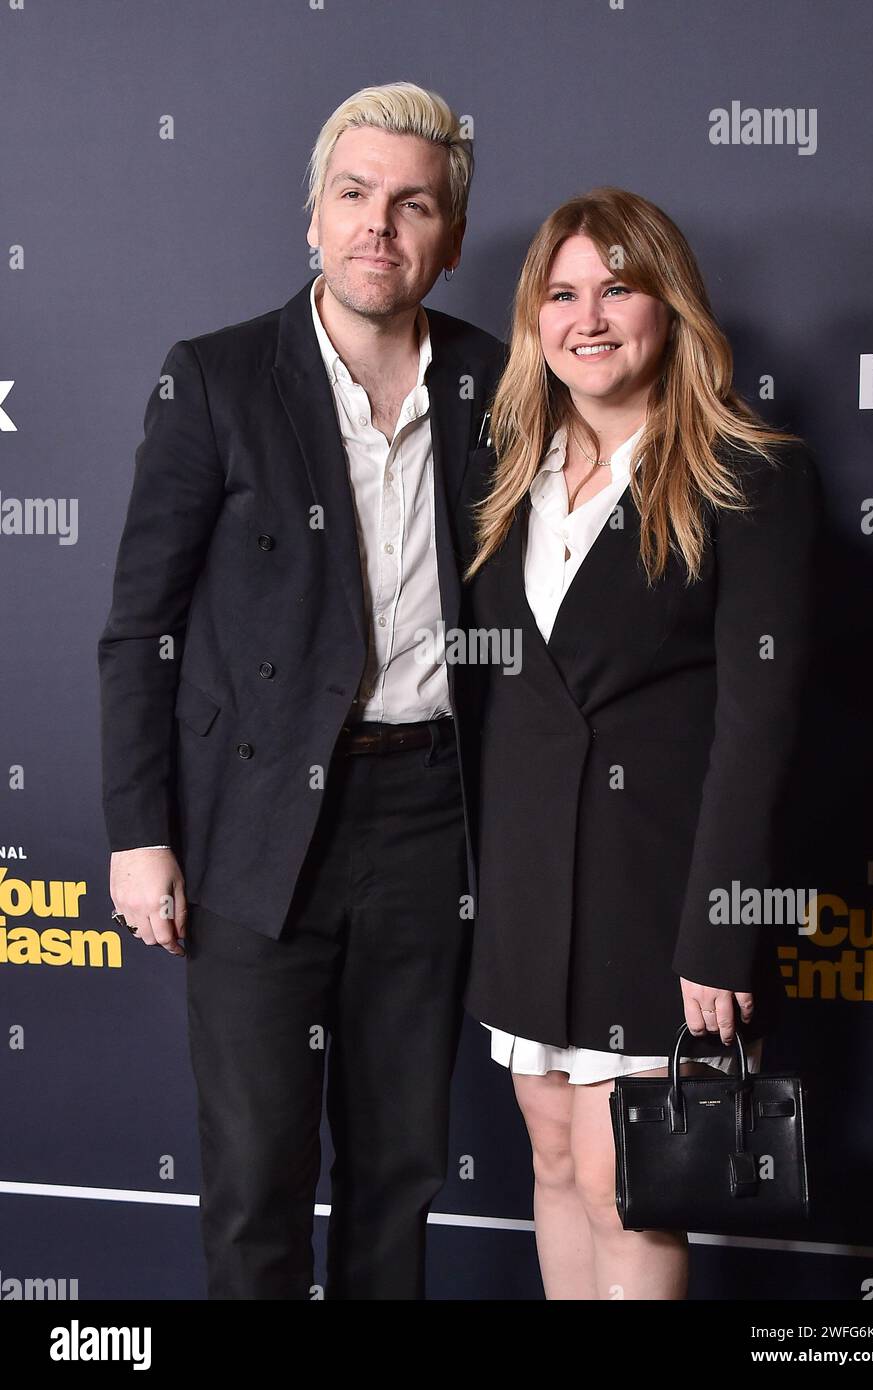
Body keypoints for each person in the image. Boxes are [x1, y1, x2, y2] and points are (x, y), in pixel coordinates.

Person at [98, 81, 505, 1300]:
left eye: (413, 204)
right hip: (254, 821)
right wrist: (139, 834)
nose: (380, 224)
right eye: (354, 194)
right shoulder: (215, 378)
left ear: (450, 238)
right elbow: (140, 627)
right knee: (256, 1179)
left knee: (401, 1172)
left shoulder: (498, 384)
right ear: (313, 218)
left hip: (432, 816)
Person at [461, 187, 821, 1300]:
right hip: (529, 888)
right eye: (563, 293)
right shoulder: (504, 471)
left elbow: (760, 724)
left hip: (657, 894)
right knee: (552, 1159)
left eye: (617, 288)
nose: (590, 317)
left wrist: (722, 927)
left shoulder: (748, 472)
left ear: (670, 305)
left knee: (629, 1184)